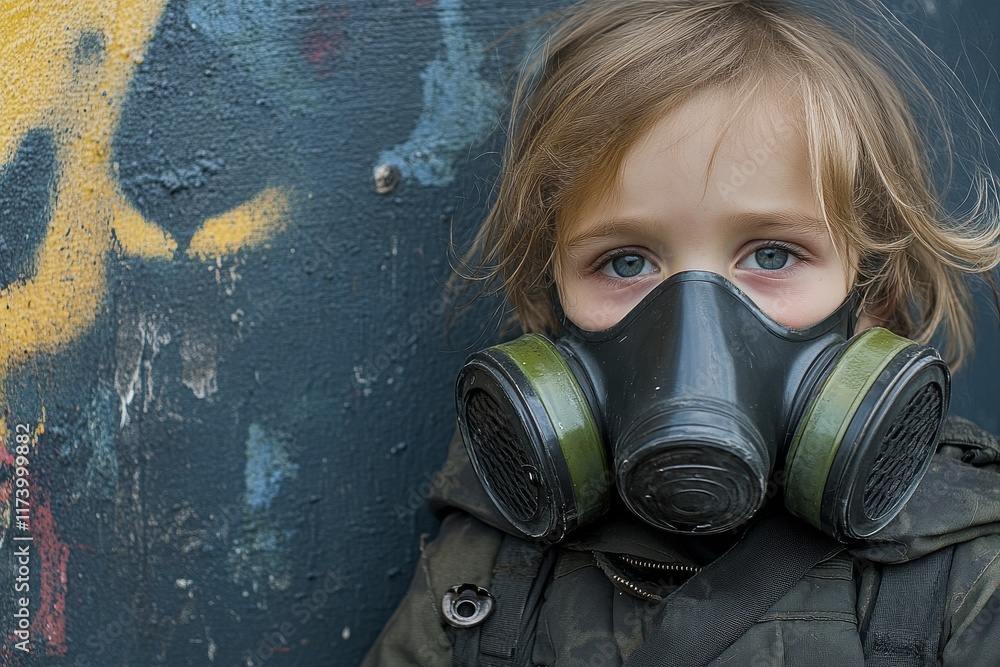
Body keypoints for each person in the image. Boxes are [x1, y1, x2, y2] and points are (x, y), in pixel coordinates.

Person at [363, 0, 1000, 664]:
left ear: (877, 297)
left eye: (771, 255)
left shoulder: (963, 580)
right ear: (547, 307)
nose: (696, 340)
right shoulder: (489, 572)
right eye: (626, 261)